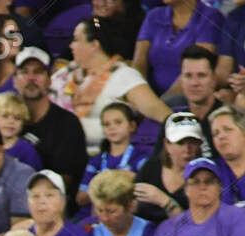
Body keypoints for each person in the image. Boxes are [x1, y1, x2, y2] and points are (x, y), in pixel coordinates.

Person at [65, 19, 173, 156]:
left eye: (76, 40)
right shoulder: (65, 75)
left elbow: (162, 114)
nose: (71, 46)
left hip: (106, 157)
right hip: (62, 154)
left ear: (94, 45)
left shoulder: (124, 76)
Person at [15, 47, 88, 205]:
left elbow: (64, 181)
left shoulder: (67, 123)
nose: (31, 78)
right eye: (24, 72)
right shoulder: (4, 121)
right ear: (14, 80)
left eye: (38, 72)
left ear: (49, 80)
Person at [133, 0, 223, 97]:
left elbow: (196, 66)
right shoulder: (153, 16)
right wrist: (142, 97)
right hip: (150, 96)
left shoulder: (210, 17)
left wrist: (160, 103)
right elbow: (139, 64)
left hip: (189, 97)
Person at [78, 100, 146, 207]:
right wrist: (101, 182)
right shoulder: (96, 161)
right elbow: (80, 199)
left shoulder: (141, 158)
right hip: (96, 212)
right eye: (106, 124)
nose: (112, 127)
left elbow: (150, 189)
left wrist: (134, 178)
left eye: (118, 122)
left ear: (132, 126)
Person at [0, 93, 42, 171]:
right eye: (5, 116)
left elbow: (34, 174)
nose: (11, 122)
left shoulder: (27, 150)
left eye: (17, 118)